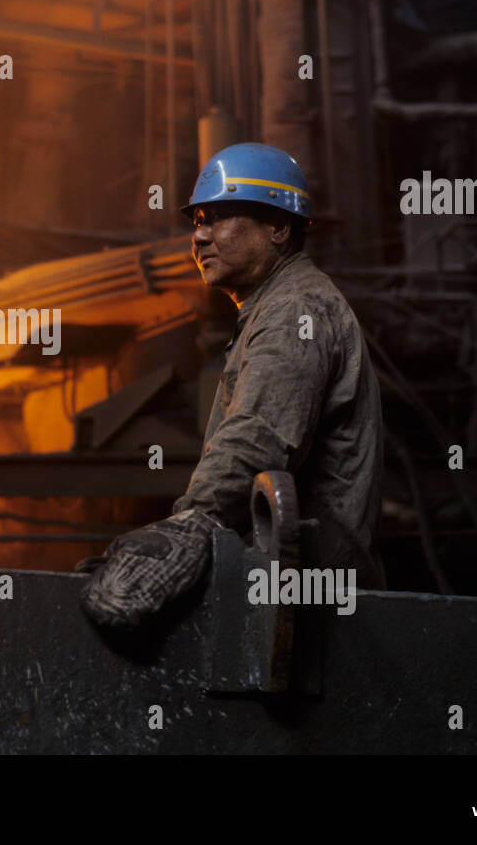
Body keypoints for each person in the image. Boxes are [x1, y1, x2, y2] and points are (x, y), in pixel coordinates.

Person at [78, 142, 386, 628]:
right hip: (290, 592)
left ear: (279, 227)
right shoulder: (271, 308)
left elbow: (259, 437)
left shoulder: (294, 311)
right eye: (197, 221)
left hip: (311, 607)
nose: (198, 238)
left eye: (217, 218)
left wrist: (190, 525)